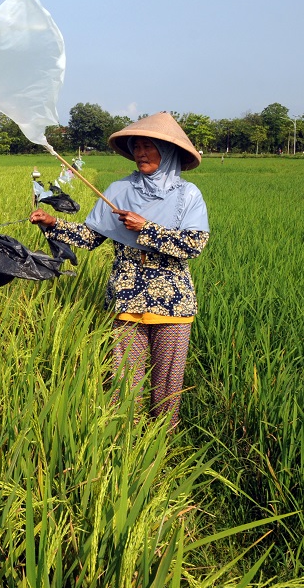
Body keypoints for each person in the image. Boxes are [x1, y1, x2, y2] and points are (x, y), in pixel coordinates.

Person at [29, 112, 210, 429]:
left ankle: (162, 445)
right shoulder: (118, 190)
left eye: (148, 146)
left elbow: (193, 245)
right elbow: (90, 237)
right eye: (136, 146)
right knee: (124, 382)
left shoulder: (188, 195)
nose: (140, 153)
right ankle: (123, 442)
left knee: (167, 386)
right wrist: (53, 223)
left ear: (167, 151)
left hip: (173, 305)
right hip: (126, 298)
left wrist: (147, 228)